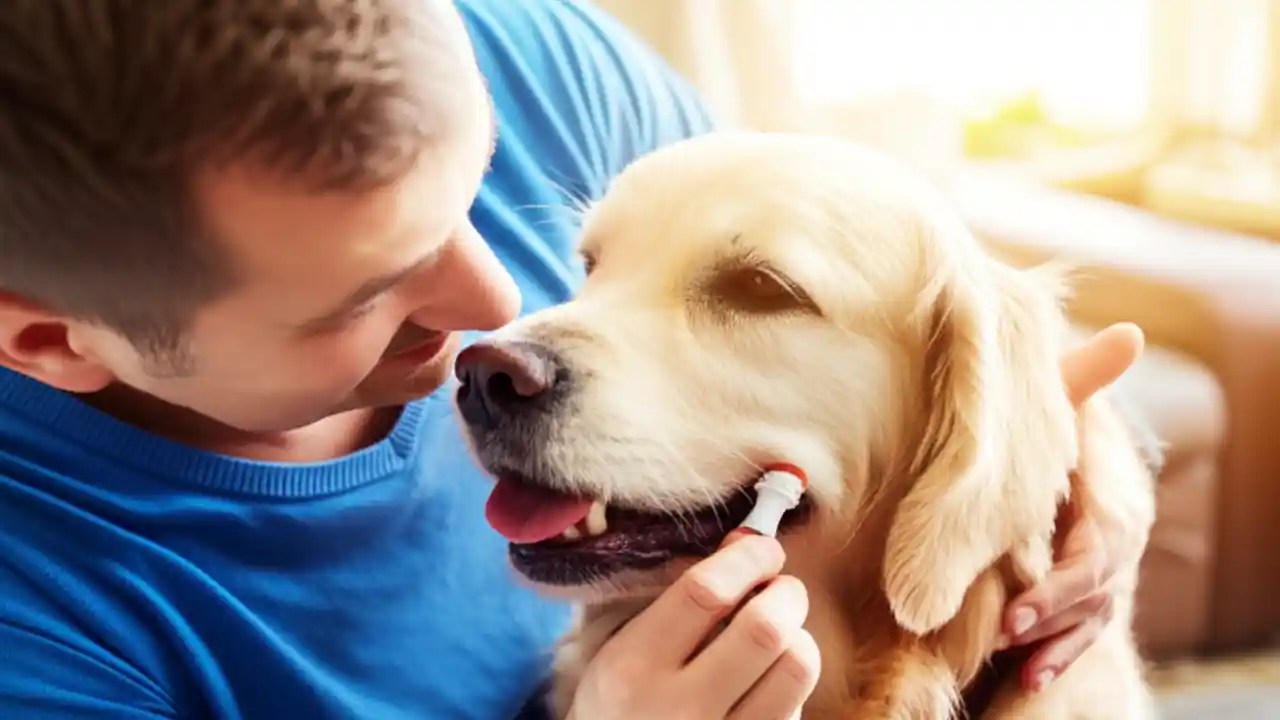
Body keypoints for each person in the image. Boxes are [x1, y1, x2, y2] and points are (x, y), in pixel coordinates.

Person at [0, 1, 1149, 718]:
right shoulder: (37, 643)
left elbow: (879, 265)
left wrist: (1071, 457)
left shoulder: (526, 60)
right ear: (52, 340)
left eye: (475, 191)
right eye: (362, 291)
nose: (500, 309)